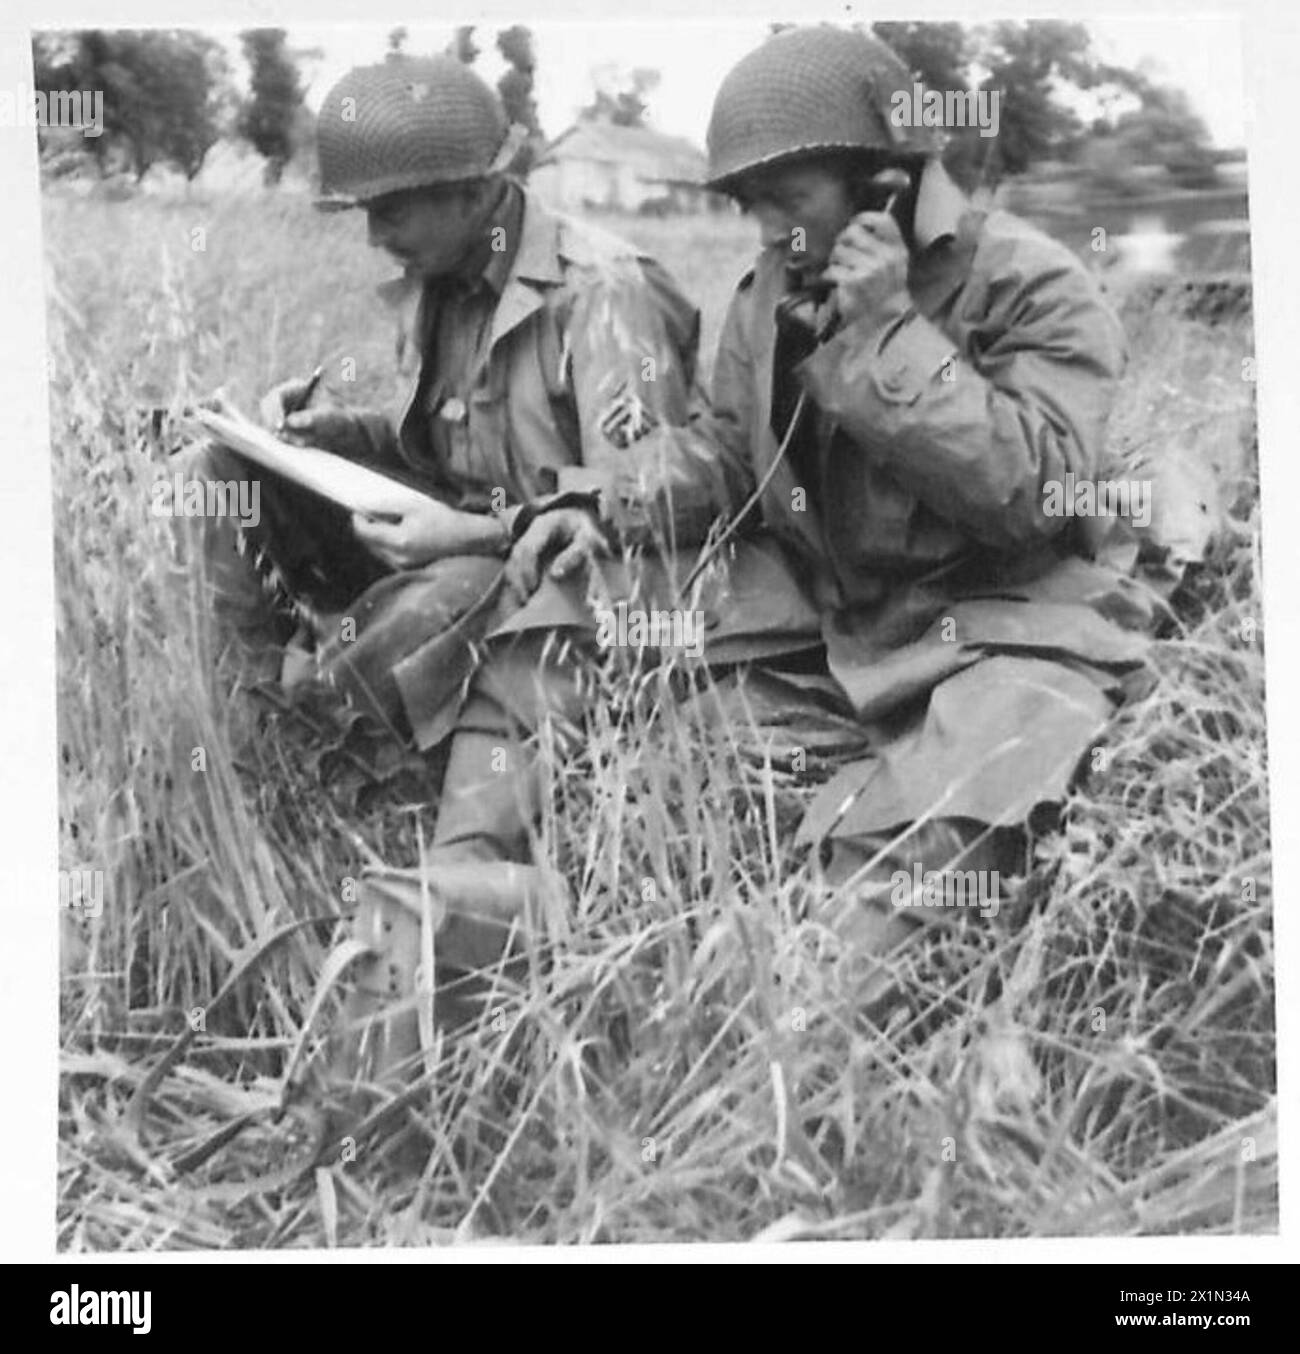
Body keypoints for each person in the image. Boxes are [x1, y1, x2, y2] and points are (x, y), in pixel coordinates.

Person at [527, 24, 1157, 980]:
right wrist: (609, 501)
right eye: (755, 209)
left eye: (790, 203)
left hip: (1007, 631)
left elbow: (1038, 496)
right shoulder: (774, 287)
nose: (771, 233)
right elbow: (728, 450)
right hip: (841, 620)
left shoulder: (1031, 283)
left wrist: (888, 333)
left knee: (884, 911)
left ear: (886, 187)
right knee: (590, 639)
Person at [172, 55, 700, 1084]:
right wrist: (333, 435)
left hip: (551, 572)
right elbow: (445, 456)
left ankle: (325, 742)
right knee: (215, 468)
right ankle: (247, 728)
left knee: (450, 593)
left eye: (394, 211)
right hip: (450, 531)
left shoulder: (604, 294)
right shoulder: (443, 285)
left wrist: (467, 540)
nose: (376, 238)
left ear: (475, 190)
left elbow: (641, 509)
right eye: (363, 214)